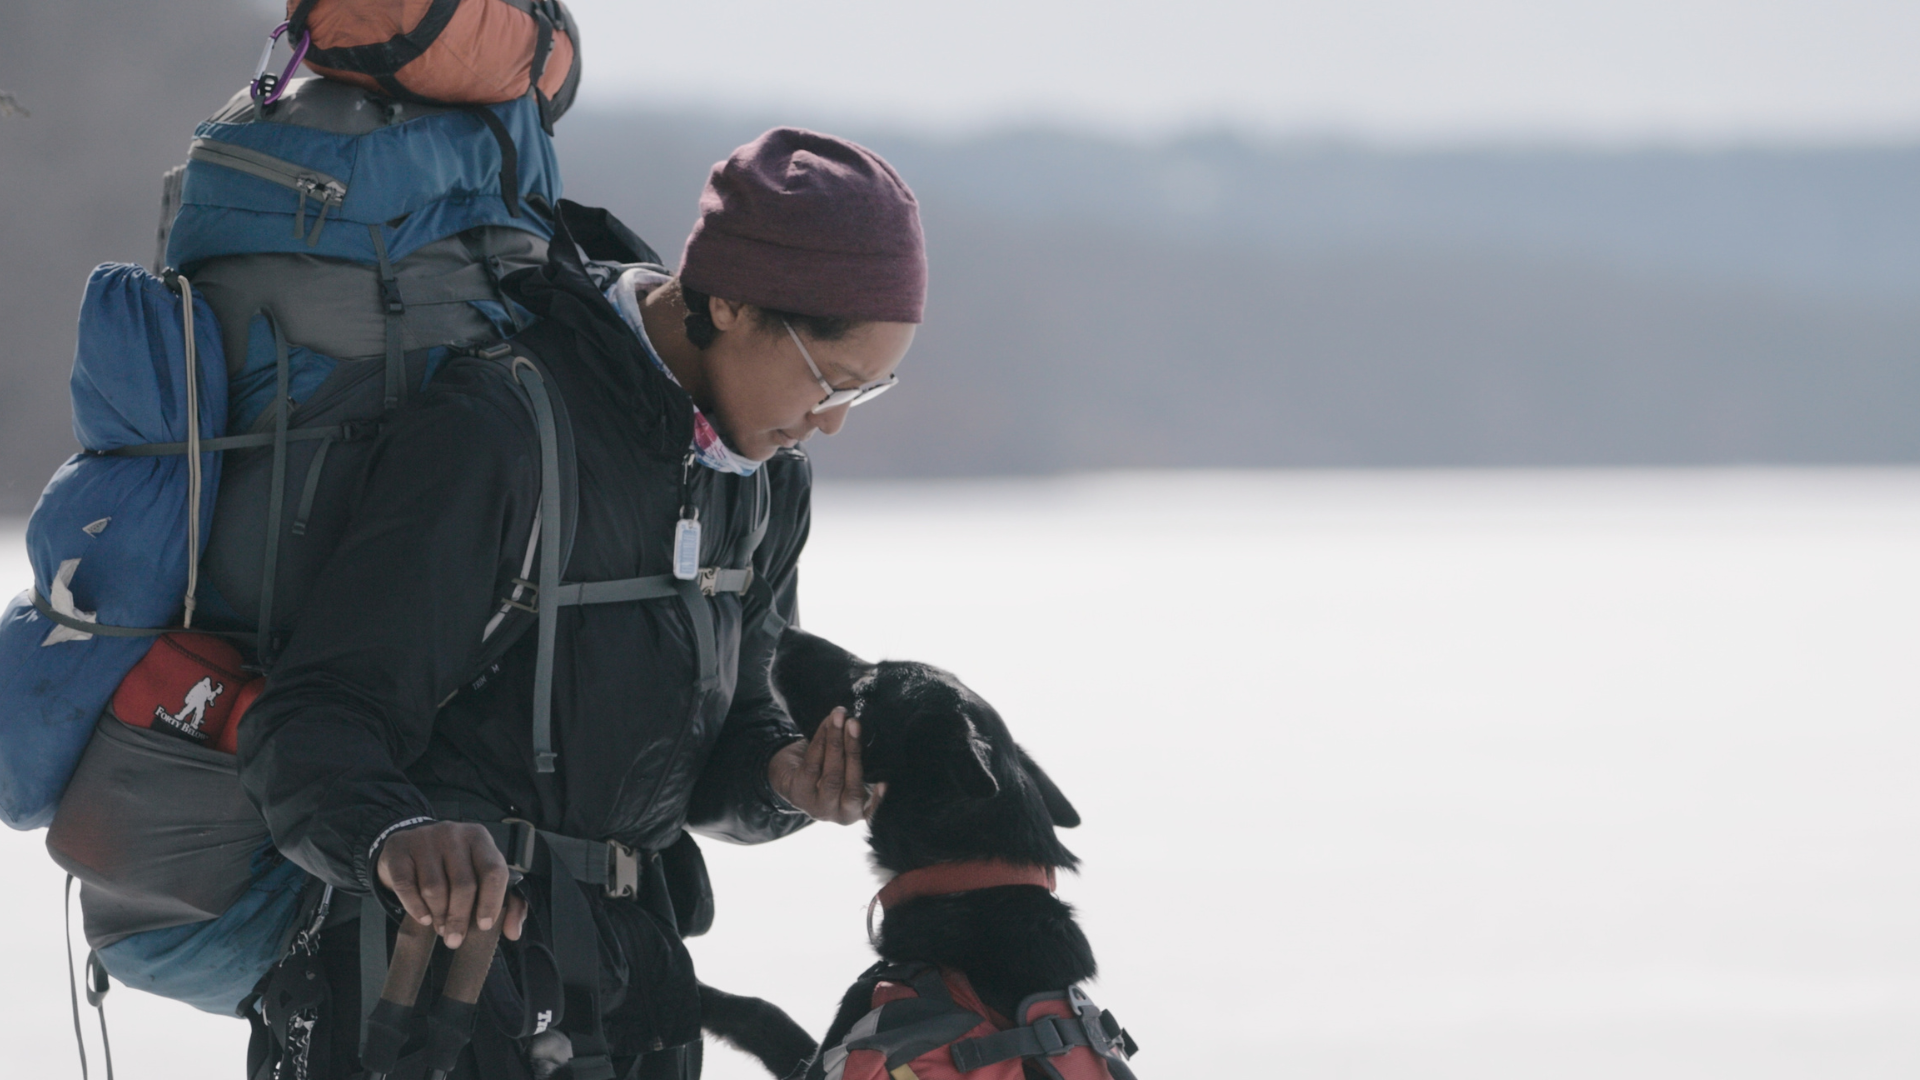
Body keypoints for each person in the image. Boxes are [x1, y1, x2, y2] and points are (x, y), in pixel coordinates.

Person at [237, 127, 925, 1079]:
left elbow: (725, 738)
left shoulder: (765, 480)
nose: (836, 419)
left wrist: (784, 778)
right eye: (831, 380)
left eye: (872, 390)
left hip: (631, 987)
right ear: (729, 301)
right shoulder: (502, 431)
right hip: (430, 994)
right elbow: (313, 717)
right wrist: (397, 837)